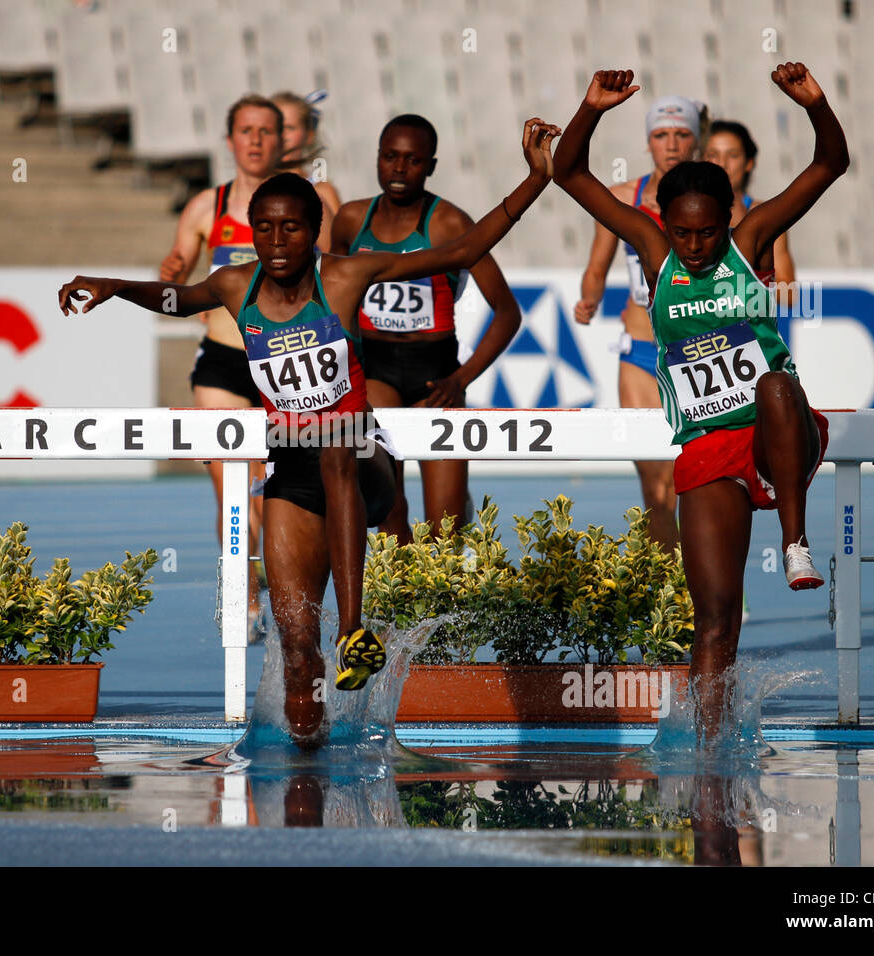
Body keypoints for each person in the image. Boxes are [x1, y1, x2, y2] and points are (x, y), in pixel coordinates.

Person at [60, 117, 561, 746]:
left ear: (315, 232)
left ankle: (354, 629)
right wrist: (112, 287)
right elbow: (177, 300)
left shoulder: (345, 277)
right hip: (293, 477)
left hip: (364, 463)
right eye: (263, 228)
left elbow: (459, 253)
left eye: (291, 227)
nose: (275, 241)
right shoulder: (233, 284)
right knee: (297, 646)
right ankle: (308, 760)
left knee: (335, 440)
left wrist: (536, 179)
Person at [552, 64, 848, 740]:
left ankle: (795, 539)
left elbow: (831, 162)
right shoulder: (657, 255)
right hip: (709, 449)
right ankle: (711, 744)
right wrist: (590, 108)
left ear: (727, 220)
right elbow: (569, 174)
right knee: (714, 615)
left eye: (706, 233)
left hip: (778, 434)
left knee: (774, 383)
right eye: (682, 234)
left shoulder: (750, 242)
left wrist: (815, 103)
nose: (693, 246)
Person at [329, 114, 522, 541]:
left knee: (444, 534)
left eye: (413, 160)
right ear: (377, 159)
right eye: (390, 157)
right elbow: (330, 297)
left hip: (436, 375)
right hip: (374, 371)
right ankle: (395, 605)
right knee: (389, 519)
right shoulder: (349, 221)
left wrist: (460, 379)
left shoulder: (450, 224)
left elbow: (507, 312)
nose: (399, 168)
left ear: (431, 166)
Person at [158, 94, 284, 629]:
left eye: (265, 131)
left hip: (281, 368)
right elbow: (173, 282)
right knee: (233, 483)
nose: (255, 141)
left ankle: (283, 594)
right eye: (246, 131)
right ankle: (244, 597)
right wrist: (172, 277)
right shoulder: (206, 207)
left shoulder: (300, 203)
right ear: (230, 140)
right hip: (222, 364)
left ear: (282, 140)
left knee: (271, 489)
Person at [573, 94, 708, 552]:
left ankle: (709, 580)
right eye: (660, 135)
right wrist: (588, 298)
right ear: (648, 140)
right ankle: (668, 601)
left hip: (697, 353)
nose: (670, 144)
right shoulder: (622, 197)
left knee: (695, 485)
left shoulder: (713, 199)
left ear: (695, 138)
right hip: (639, 349)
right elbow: (598, 263)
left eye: (681, 134)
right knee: (655, 492)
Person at [703, 120, 796, 303]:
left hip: (749, 329)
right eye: (713, 154)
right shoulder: (681, 213)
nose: (722, 163)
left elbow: (788, 295)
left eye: (733, 155)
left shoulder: (768, 217)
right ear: (700, 160)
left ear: (749, 163)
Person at [271, 91, 342, 250]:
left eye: (289, 128)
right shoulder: (248, 188)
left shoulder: (323, 192)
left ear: (309, 135)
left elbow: (338, 257)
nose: (281, 136)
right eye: (274, 127)